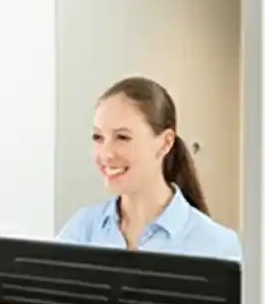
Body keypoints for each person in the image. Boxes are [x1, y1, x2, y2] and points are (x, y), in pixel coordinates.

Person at [56, 76, 241, 259]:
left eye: (122, 137)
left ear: (165, 143)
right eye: (98, 137)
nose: (106, 154)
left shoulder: (219, 247)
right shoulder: (81, 231)